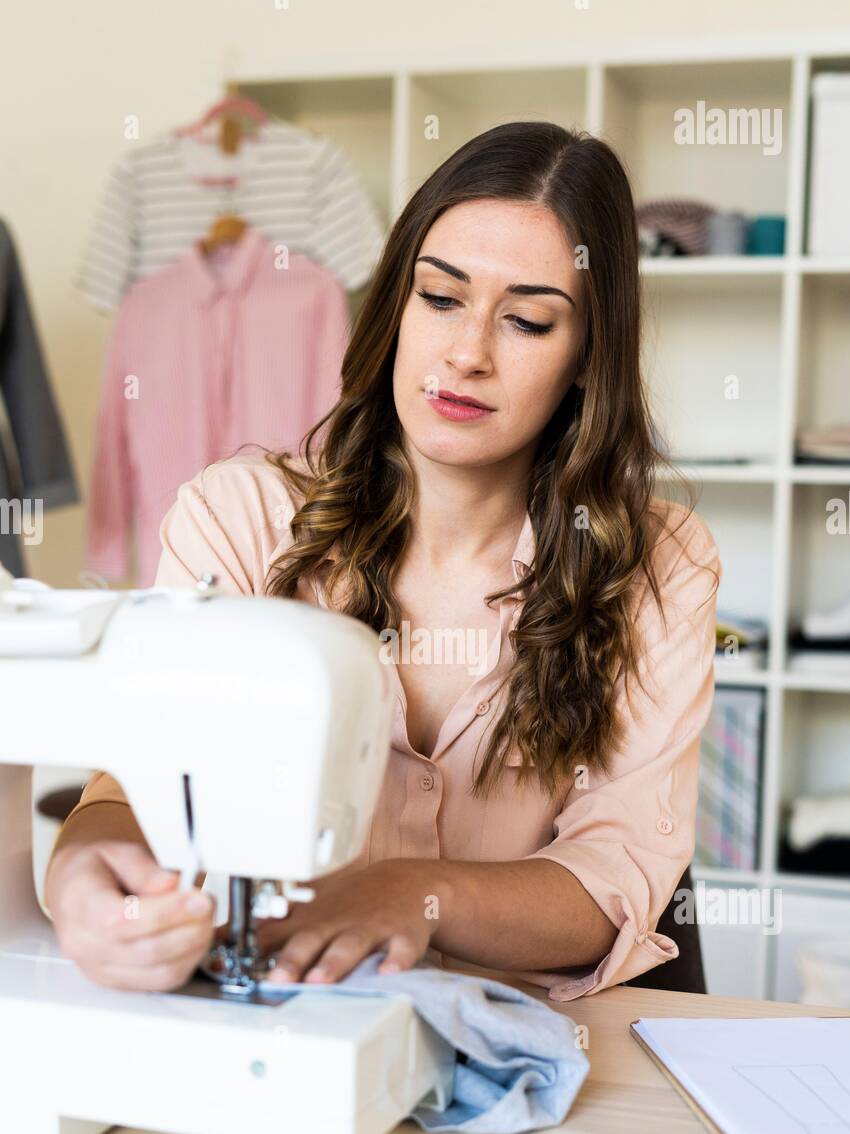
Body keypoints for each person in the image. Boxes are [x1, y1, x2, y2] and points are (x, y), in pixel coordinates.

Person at [44, 120, 720, 1002]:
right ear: (395, 306)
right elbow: (140, 779)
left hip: (525, 1035)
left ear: (589, 355)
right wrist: (83, 874)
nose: (466, 354)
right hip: (288, 1019)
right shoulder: (240, 519)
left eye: (525, 320)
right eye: (440, 299)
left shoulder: (656, 567)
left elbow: (616, 870)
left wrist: (414, 893)